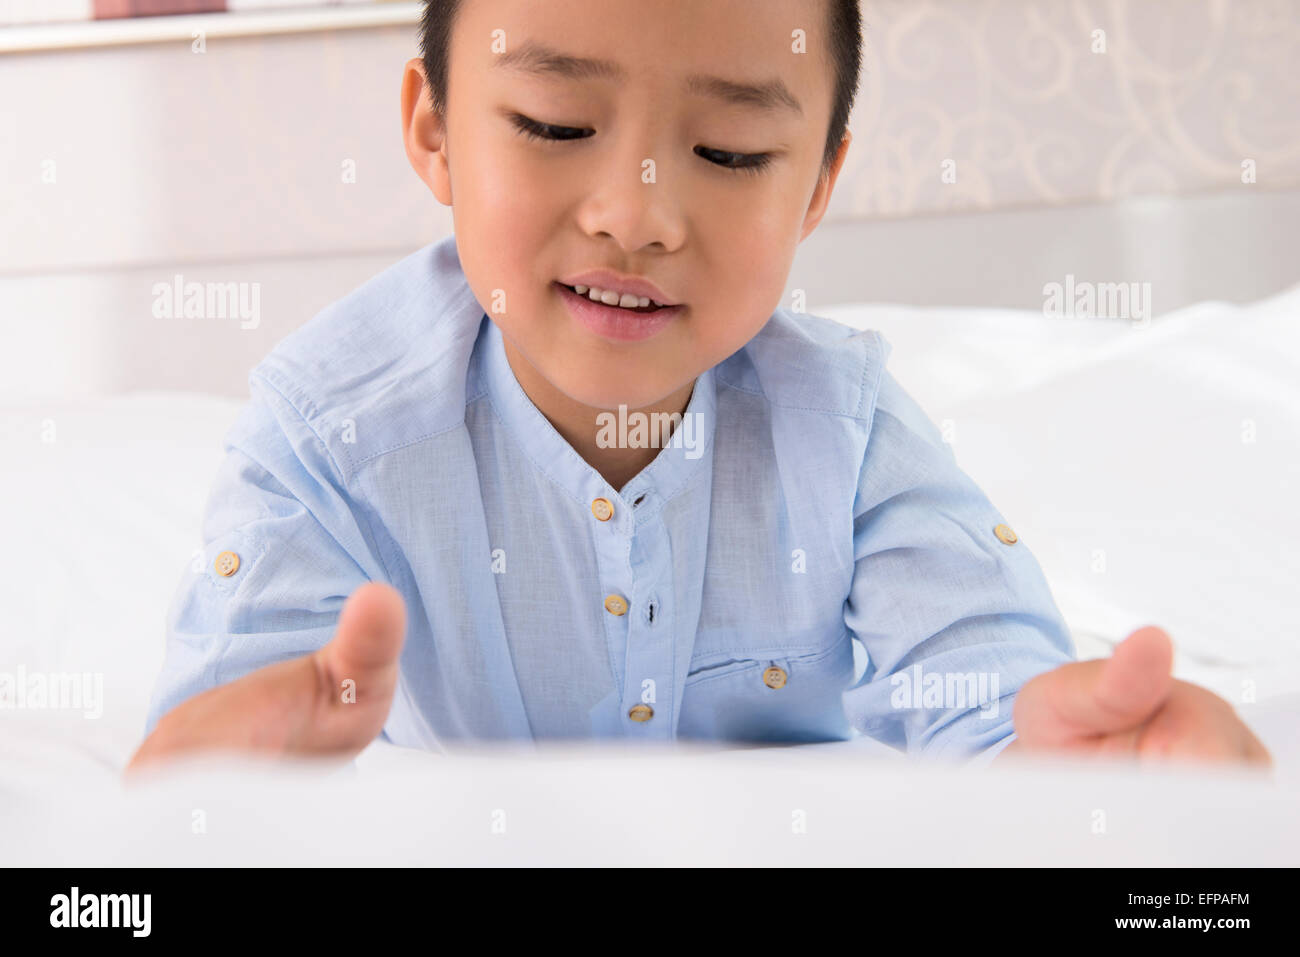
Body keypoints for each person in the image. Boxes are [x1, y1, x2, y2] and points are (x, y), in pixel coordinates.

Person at [127, 0, 1270, 774]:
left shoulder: (843, 428)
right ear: (433, 131)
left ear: (818, 185)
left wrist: (1053, 748)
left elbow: (971, 678)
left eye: (727, 152)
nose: (635, 216)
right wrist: (227, 771)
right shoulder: (333, 430)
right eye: (553, 124)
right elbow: (235, 716)